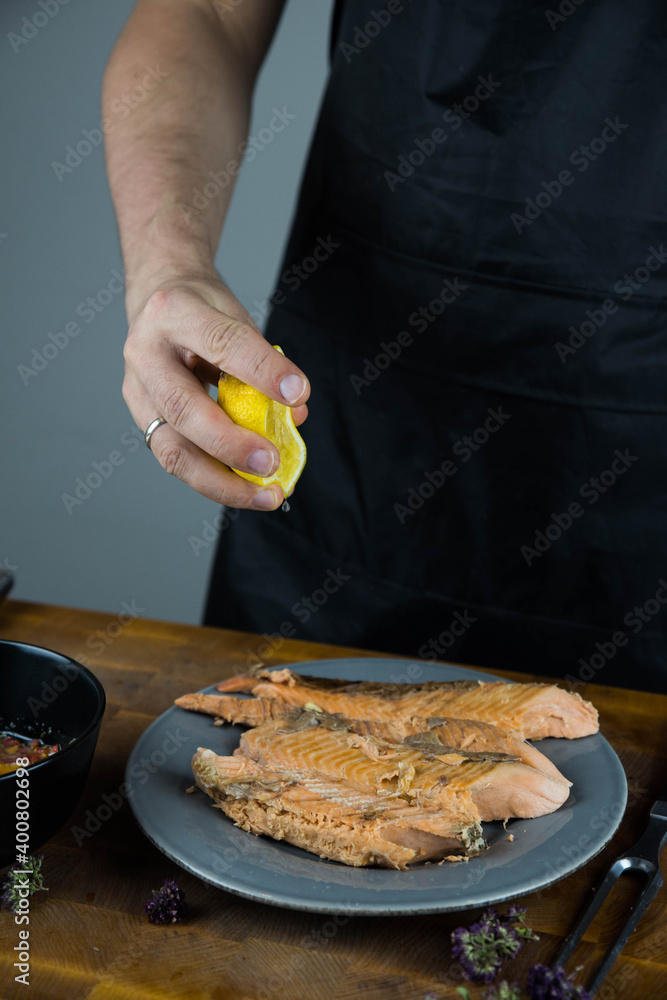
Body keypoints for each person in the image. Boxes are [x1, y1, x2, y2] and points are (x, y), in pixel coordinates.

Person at [105, 0, 667, 694]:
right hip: (354, 418)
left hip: (644, 448)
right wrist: (169, 270)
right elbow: (207, 13)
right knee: (265, 771)